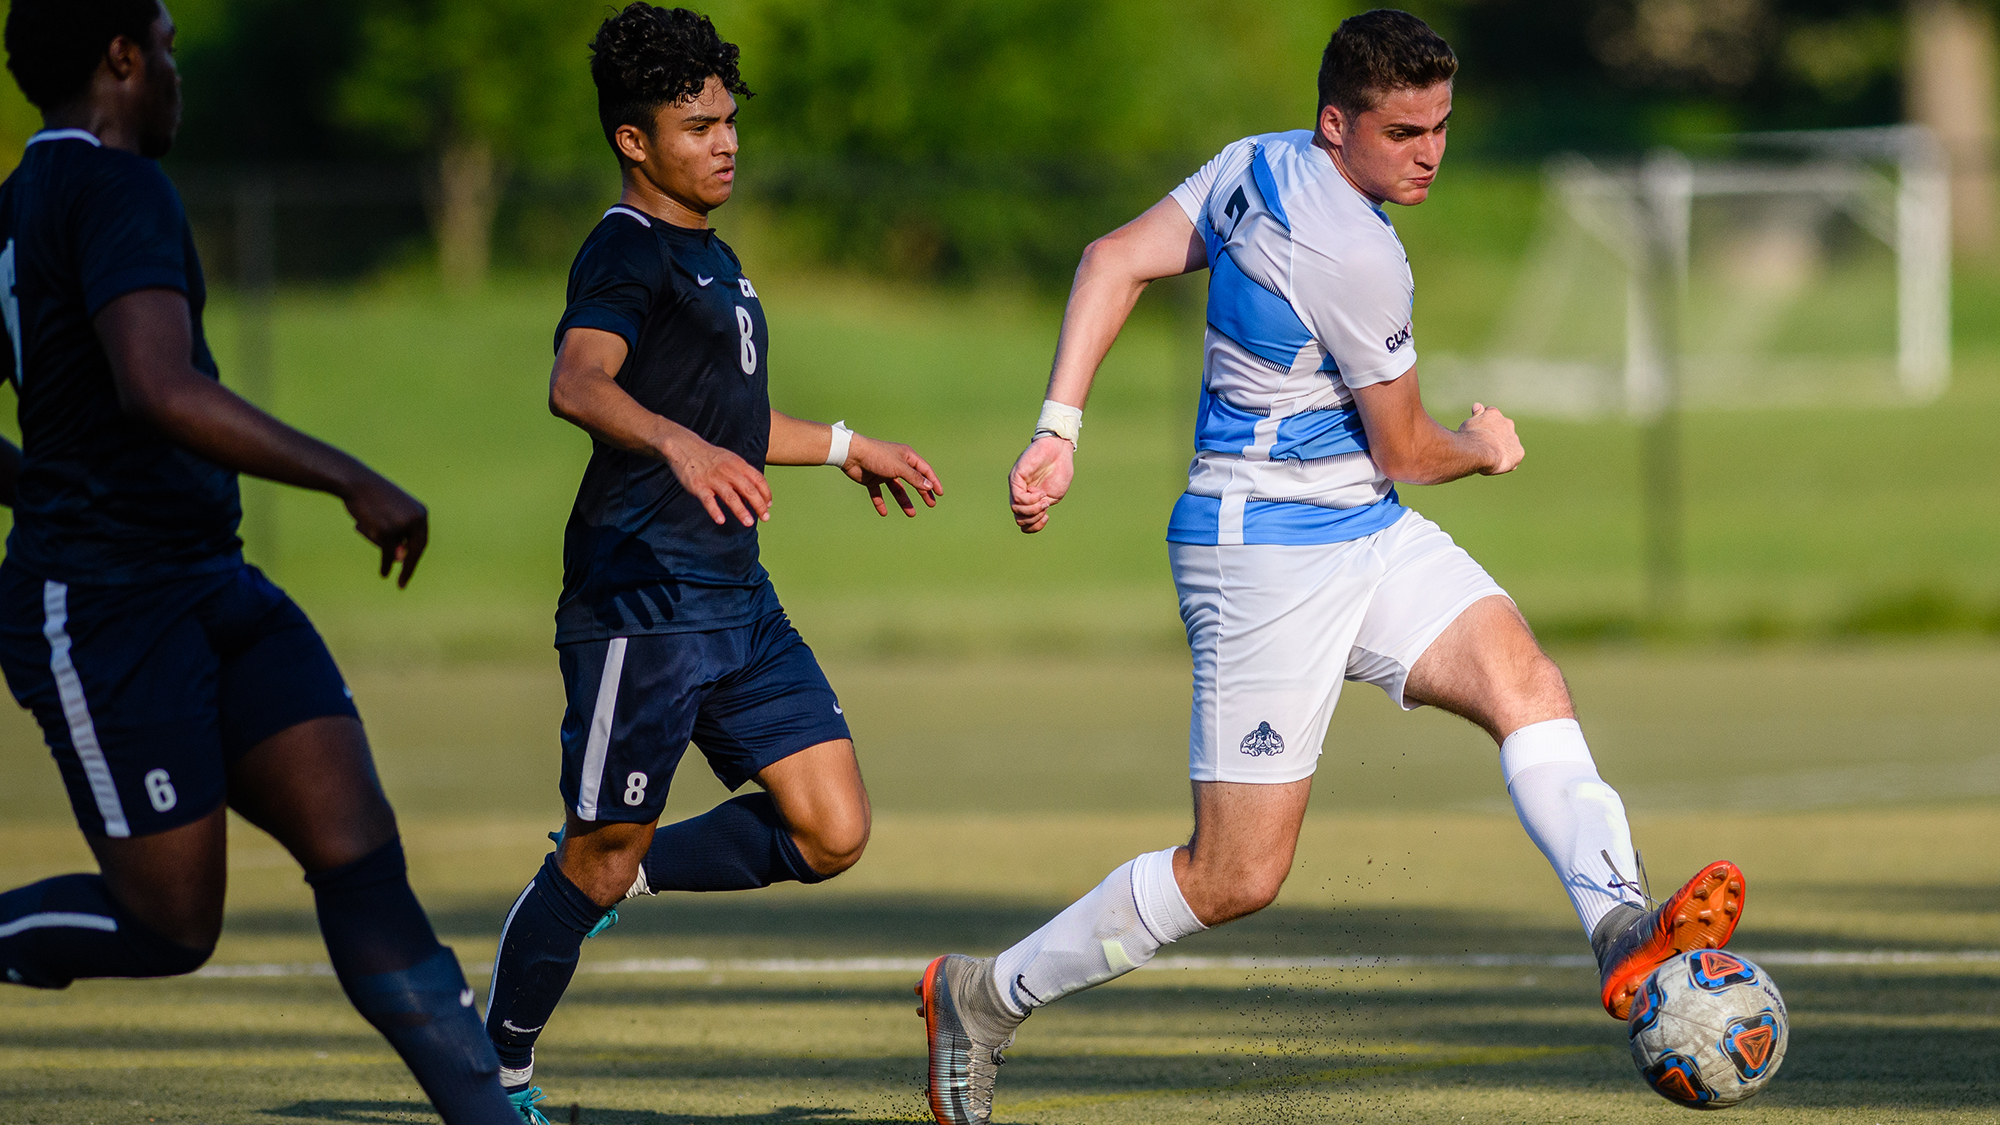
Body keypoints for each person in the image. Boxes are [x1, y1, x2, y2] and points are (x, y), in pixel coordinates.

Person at [915, 12, 1745, 1124]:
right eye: (1402, 130)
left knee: (1526, 684)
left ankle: (1619, 928)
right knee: (1235, 877)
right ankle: (984, 996)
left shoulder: (1251, 162)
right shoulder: (1354, 254)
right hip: (1262, 559)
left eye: (1440, 126)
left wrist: (1058, 426)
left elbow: (1109, 258)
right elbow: (1408, 446)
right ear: (1334, 122)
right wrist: (1486, 447)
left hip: (1359, 529)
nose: (1428, 152)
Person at [0, 1, 516, 1120]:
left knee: (360, 854)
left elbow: (98, 403)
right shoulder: (116, 186)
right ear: (123, 58)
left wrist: (35, 478)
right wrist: (352, 479)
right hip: (106, 613)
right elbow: (159, 386)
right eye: (171, 46)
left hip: (212, 585)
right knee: (171, 925)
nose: (179, 70)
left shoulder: (19, 202)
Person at [480, 7, 944, 1121]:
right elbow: (578, 383)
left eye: (730, 120)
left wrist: (842, 446)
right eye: (696, 126)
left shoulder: (714, 257)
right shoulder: (625, 248)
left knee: (832, 830)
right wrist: (677, 445)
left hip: (737, 600)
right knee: (588, 862)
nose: (725, 142)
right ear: (635, 142)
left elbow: (727, 415)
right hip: (639, 605)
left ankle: (615, 869)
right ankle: (491, 1074)